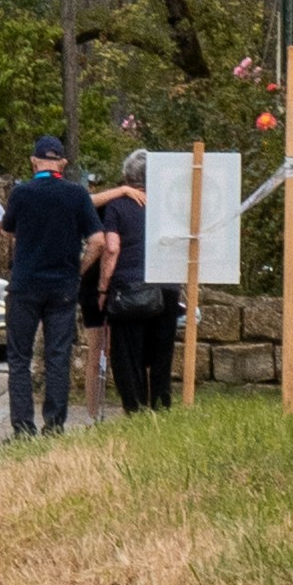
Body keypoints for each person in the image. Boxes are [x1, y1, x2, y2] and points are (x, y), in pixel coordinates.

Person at [0, 132, 93, 437]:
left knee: (19, 358)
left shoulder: (22, 193)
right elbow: (99, 240)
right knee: (57, 356)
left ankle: (23, 427)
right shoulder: (77, 194)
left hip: (25, 284)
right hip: (63, 285)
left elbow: (8, 229)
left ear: (34, 161)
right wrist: (79, 268)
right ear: (62, 162)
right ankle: (54, 424)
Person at [98, 150, 181, 415]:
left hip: (129, 287)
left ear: (127, 176)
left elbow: (112, 248)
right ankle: (160, 406)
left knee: (127, 353)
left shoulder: (118, 206)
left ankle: (134, 409)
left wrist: (102, 287)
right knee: (161, 353)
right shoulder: (169, 203)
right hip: (167, 286)